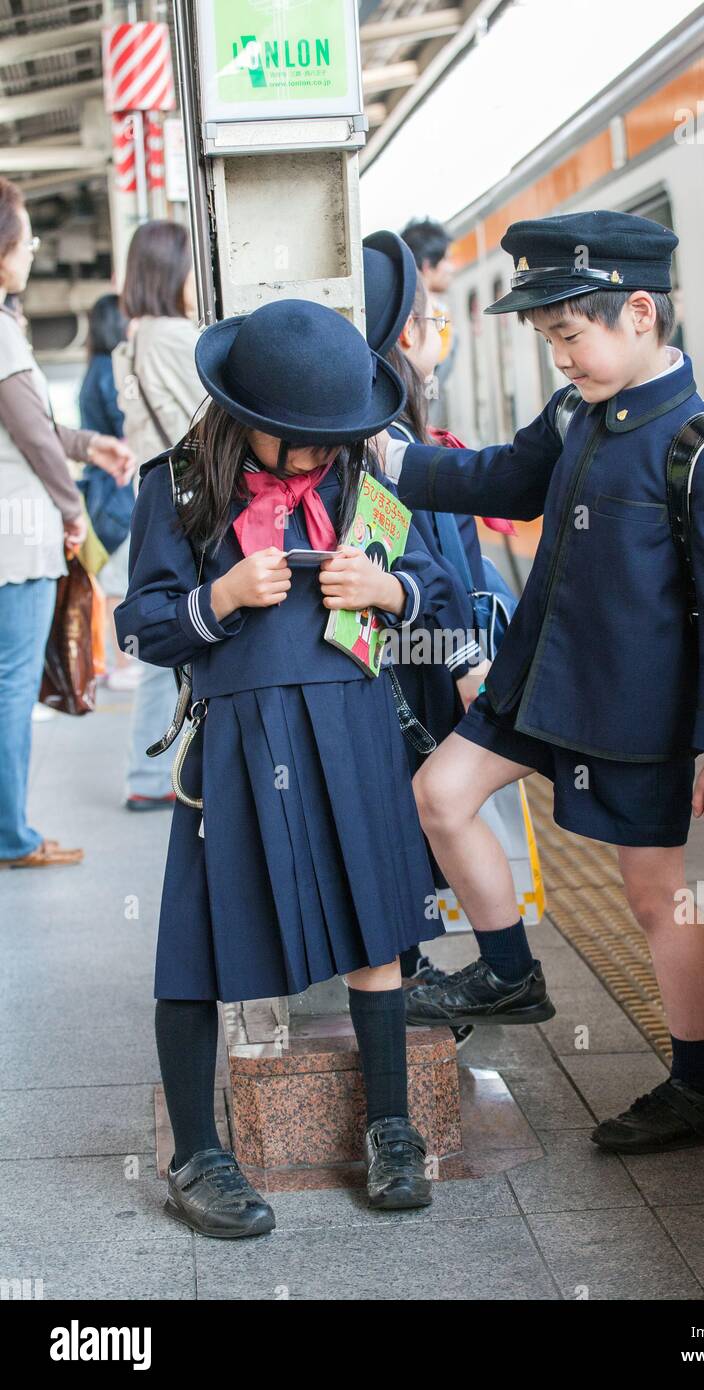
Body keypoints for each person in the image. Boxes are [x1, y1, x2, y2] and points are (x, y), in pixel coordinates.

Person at [378, 210, 704, 1155]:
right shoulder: (575, 414)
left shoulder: (700, 452)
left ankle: (699, 1087)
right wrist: (390, 456)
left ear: (639, 313)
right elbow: (503, 480)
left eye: (571, 335)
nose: (561, 358)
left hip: (632, 714)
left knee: (653, 899)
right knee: (440, 794)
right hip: (539, 678)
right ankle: (509, 969)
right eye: (549, 340)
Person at [114, 298, 456, 1234]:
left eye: (330, 438)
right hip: (234, 741)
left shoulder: (364, 481)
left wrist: (384, 587)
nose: (316, 456)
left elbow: (434, 589)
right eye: (298, 439)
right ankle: (197, 1154)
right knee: (195, 944)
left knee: (376, 928)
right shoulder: (179, 485)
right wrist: (218, 595)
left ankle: (391, 1129)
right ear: (243, 415)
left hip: (351, 729)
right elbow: (141, 624)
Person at [362, 230, 515, 1047]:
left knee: (419, 809)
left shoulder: (392, 433)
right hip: (421, 666)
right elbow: (425, 566)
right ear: (408, 337)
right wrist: (464, 660)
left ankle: (428, 971)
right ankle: (421, 981)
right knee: (418, 808)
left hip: (416, 661)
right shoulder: (392, 444)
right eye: (430, 318)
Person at [0, 176, 133, 870]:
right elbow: (32, 435)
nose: (33, 249)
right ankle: (12, 837)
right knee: (12, 685)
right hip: (14, 541)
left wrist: (89, 447)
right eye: (26, 239)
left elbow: (39, 427)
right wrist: (73, 510)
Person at [112, 219, 205, 808]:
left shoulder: (131, 339)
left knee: (155, 638)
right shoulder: (173, 335)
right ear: (172, 270)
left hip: (151, 501)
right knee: (172, 638)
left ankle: (150, 771)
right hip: (184, 503)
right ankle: (151, 776)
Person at [77, 293, 135, 686]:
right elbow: (124, 424)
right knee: (119, 579)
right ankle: (125, 665)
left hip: (99, 487)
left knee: (111, 575)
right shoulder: (109, 371)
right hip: (118, 483)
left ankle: (115, 663)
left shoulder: (90, 370)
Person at [399, 218, 456, 411]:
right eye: (447, 259)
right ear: (426, 266)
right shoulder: (428, 315)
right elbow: (432, 383)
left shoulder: (396, 307)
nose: (452, 268)